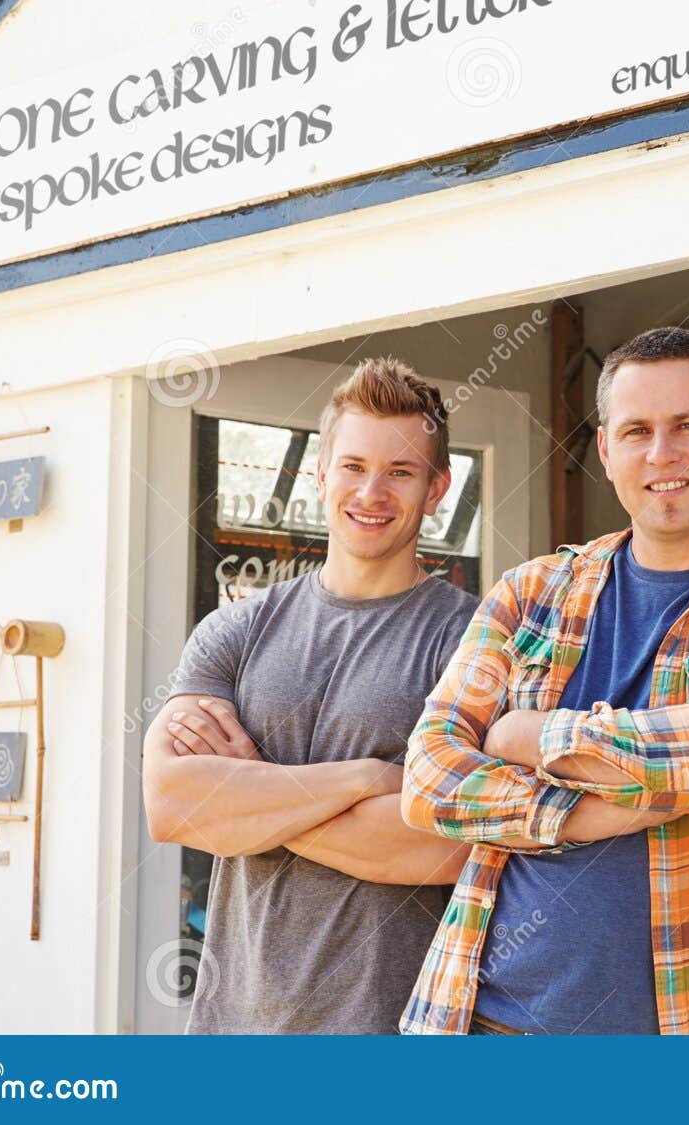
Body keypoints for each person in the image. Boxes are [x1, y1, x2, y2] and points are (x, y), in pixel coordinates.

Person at [400, 326, 689, 1035]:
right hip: (477, 1023)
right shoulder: (530, 591)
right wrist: (587, 812)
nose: (662, 455)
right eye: (637, 431)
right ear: (605, 449)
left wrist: (524, 735)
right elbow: (429, 776)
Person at [142, 357, 477, 1034]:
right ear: (321, 473)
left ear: (437, 487)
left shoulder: (470, 640)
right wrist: (366, 780)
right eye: (353, 466)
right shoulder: (236, 628)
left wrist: (255, 793)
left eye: (401, 471)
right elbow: (173, 803)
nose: (371, 491)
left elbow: (447, 848)